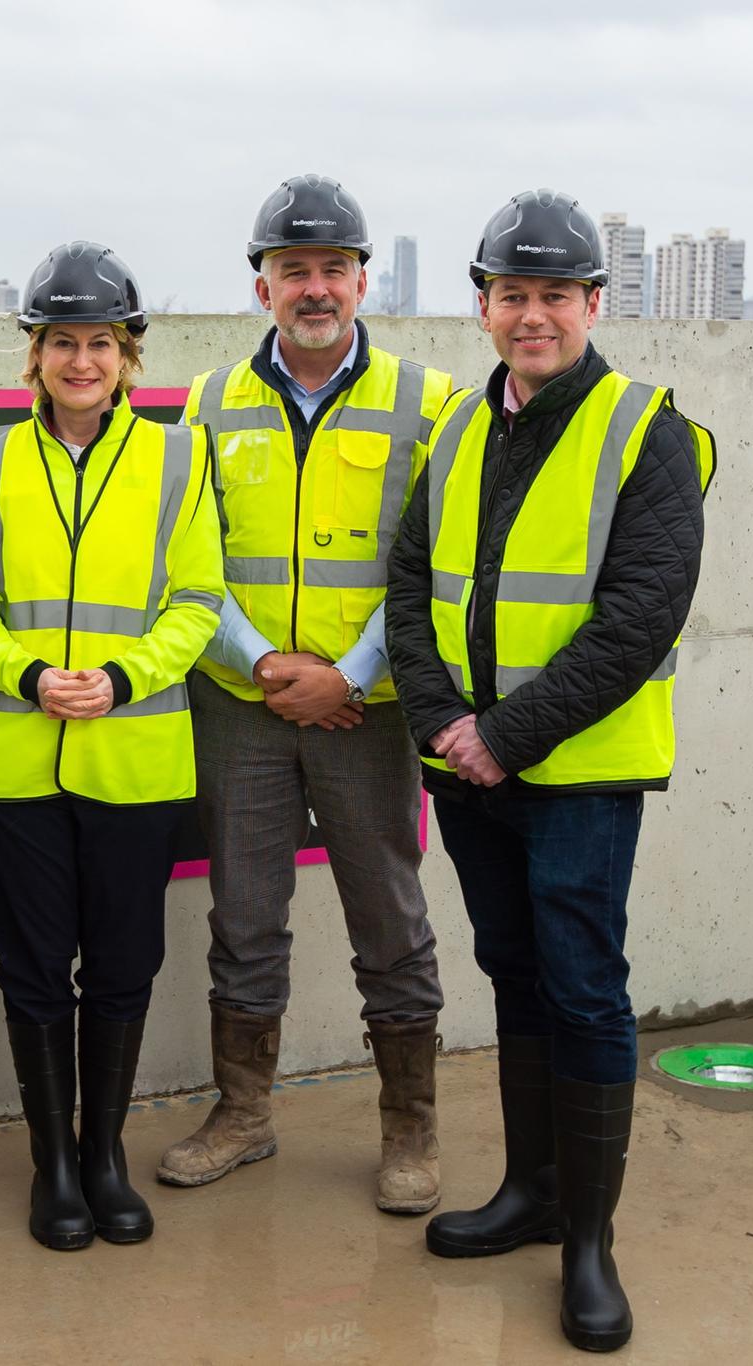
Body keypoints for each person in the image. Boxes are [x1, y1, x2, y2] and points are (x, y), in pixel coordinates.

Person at [386, 188, 714, 1352]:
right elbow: (410, 592)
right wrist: (440, 721)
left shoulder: (646, 429)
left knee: (581, 984)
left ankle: (588, 1238)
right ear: (481, 307)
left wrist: (504, 734)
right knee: (512, 971)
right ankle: (529, 1191)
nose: (532, 316)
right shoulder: (458, 430)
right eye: (509, 295)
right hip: (469, 768)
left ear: (590, 302)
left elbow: (636, 617)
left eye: (552, 297)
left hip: (574, 771)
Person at [158, 175, 455, 1216]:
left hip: (365, 714)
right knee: (243, 915)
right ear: (260, 288)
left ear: (363, 280)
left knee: (389, 919)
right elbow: (185, 556)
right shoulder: (203, 405)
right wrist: (261, 670)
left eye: (333, 269)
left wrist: (349, 675)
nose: (314, 288)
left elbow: (428, 565)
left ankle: (409, 1130)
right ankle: (241, 1114)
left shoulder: (429, 402)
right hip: (241, 706)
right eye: (293, 271)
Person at [0, 241, 223, 1250]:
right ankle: (50, 1165)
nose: (79, 361)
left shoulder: (176, 459)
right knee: (29, 966)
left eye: (98, 342)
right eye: (60, 342)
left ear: (127, 355)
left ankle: (102, 1152)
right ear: (34, 355)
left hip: (132, 762)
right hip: (17, 763)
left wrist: (121, 678)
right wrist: (23, 673)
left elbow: (197, 601)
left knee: (120, 962)